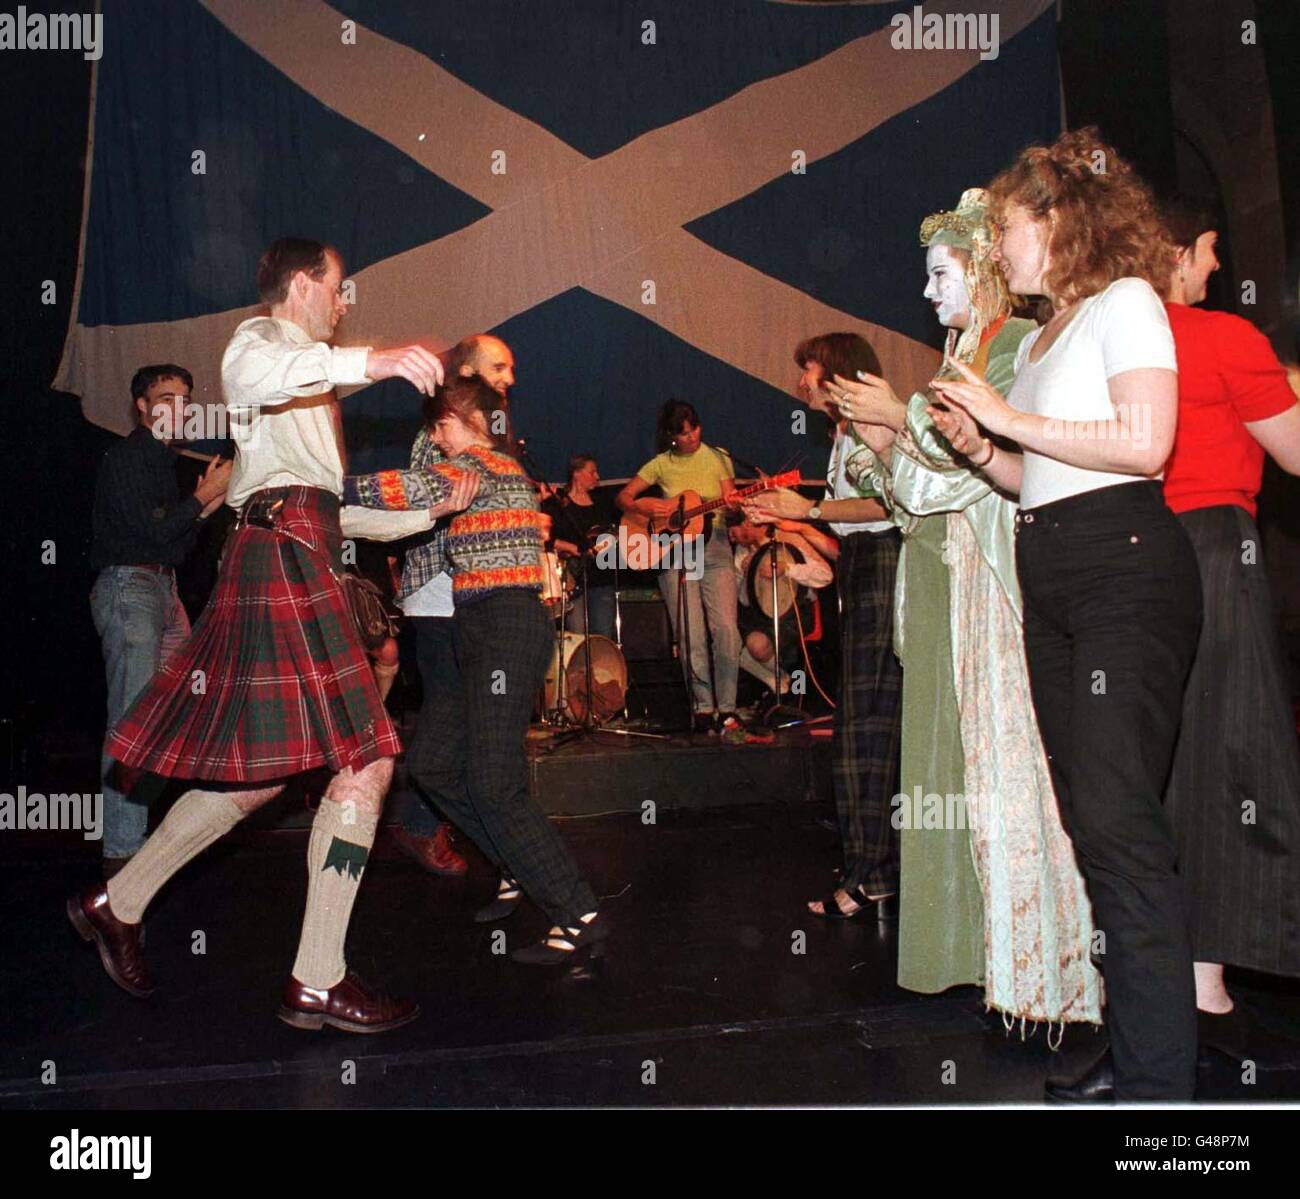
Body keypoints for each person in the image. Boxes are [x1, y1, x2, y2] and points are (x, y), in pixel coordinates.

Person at [69, 236, 467, 1032]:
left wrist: (432, 509)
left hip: (289, 548)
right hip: (281, 558)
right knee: (367, 760)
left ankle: (120, 901)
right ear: (299, 285)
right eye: (337, 287)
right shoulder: (261, 346)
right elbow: (261, 388)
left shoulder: (308, 387)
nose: (345, 302)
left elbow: (324, 502)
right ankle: (318, 976)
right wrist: (377, 360)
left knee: (255, 779)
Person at [930, 130, 1202, 1101]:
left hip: (1122, 570)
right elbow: (1033, 475)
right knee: (1094, 825)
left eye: (1004, 230)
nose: (996, 251)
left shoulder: (1127, 304)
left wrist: (1009, 420)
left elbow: (1143, 441)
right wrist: (980, 447)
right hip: (1054, 570)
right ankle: (1133, 1050)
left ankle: (1161, 1088)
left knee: (1121, 828)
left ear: (1060, 222)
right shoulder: (1045, 340)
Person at [821, 191, 1102, 1028]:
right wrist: (882, 438)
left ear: (982, 266)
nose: (929, 293)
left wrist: (893, 419)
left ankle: (1045, 974)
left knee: (1012, 770)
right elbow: (918, 495)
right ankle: (979, 955)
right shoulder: (961, 361)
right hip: (950, 583)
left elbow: (969, 470)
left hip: (998, 586)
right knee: (955, 774)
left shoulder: (1012, 346)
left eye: (942, 274)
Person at [343, 375, 607, 965]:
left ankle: (578, 912)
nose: (435, 440)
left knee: (495, 782)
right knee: (434, 762)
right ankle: (520, 864)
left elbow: (402, 487)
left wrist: (319, 485)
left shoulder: (486, 465)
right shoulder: (483, 470)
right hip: (478, 629)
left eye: (439, 427)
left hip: (505, 627)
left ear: (466, 423)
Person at [1158, 195, 1300, 1062]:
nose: (1215, 267)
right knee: (1231, 761)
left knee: (1165, 766)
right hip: (1214, 553)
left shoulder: (1106, 338)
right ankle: (1206, 990)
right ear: (1178, 251)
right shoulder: (1225, 338)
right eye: (1208, 250)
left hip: (1129, 557)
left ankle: (1164, 980)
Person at [745, 334, 904, 917]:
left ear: (833, 370)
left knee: (867, 729)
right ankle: (870, 868)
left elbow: (890, 508)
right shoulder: (843, 435)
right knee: (860, 728)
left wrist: (806, 510)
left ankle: (873, 874)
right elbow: (857, 529)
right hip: (865, 569)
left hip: (884, 569)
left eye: (806, 368)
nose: (800, 382)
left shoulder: (866, 426)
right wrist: (820, 561)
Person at [380, 333, 523, 877]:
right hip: (443, 592)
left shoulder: (491, 434)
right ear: (465, 373)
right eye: (499, 367)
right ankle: (420, 824)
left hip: (460, 592)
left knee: (458, 717)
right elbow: (424, 503)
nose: (509, 378)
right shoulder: (438, 435)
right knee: (451, 714)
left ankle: (432, 821)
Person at [89, 365, 231, 875]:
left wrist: (206, 504)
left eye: (186, 399)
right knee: (132, 719)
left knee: (182, 708)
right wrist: (200, 497)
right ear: (143, 409)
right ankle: (122, 856)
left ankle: (151, 834)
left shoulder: (163, 464)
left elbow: (175, 542)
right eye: (167, 398)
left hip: (161, 590)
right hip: (131, 588)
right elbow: (151, 536)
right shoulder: (128, 456)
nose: (180, 407)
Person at [617, 401, 743, 739]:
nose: (690, 438)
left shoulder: (719, 457)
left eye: (694, 429)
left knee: (727, 629)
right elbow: (624, 498)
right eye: (682, 433)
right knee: (691, 634)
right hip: (674, 549)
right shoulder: (660, 464)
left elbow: (730, 504)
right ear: (670, 436)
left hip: (714, 543)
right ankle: (703, 708)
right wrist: (646, 505)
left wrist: (733, 508)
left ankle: (728, 708)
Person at [729, 516, 835, 694]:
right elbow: (743, 600)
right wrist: (747, 577)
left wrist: (787, 568)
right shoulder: (742, 552)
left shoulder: (788, 539)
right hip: (760, 616)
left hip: (794, 613)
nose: (732, 538)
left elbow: (825, 575)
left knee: (757, 645)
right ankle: (782, 685)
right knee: (731, 647)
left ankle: (792, 688)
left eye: (734, 531)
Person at [543, 455, 619, 641]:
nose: (598, 476)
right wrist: (567, 546)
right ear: (577, 474)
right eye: (592, 472)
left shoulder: (601, 502)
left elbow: (613, 532)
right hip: (572, 580)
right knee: (577, 637)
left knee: (603, 636)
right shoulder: (557, 503)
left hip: (601, 578)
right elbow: (544, 538)